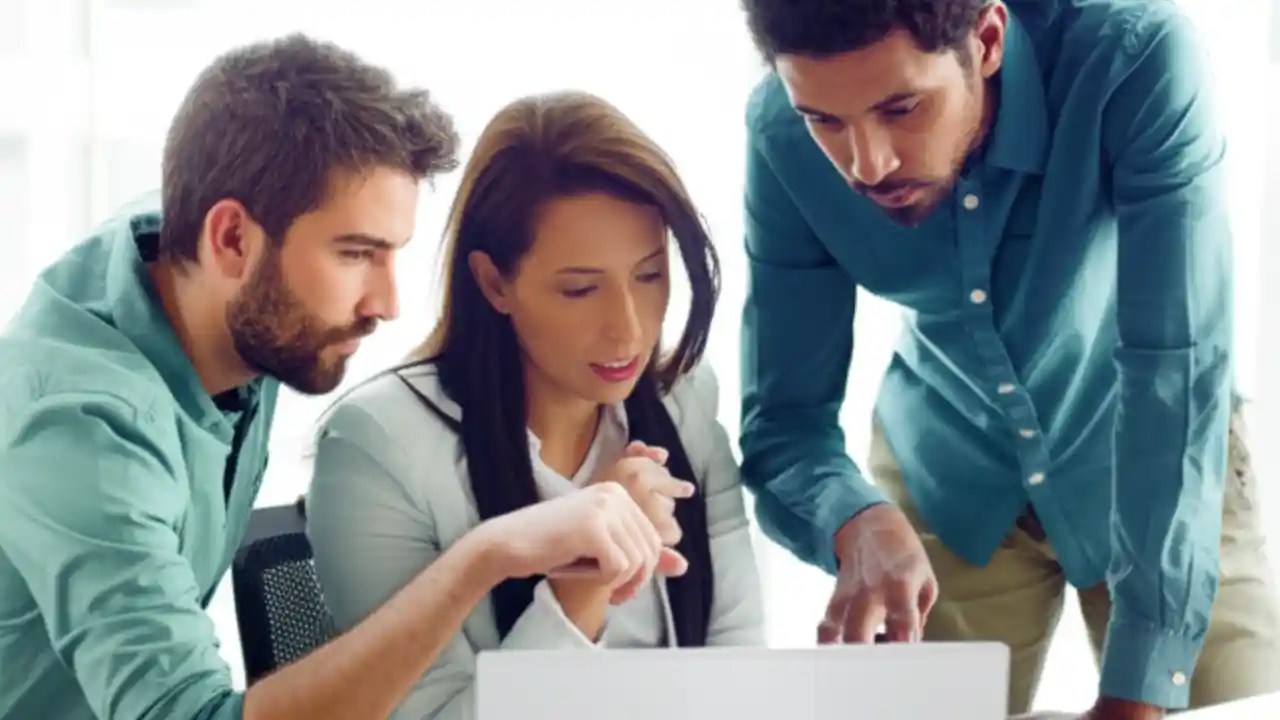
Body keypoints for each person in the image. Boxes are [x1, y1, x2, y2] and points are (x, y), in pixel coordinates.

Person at [0, 35, 683, 720]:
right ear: (231, 239)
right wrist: (485, 556)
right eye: (356, 254)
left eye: (391, 254)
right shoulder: (85, 430)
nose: (386, 303)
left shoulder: (198, 271)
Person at [735, 0, 1280, 717]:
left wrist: (1141, 689)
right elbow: (784, 422)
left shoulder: (1136, 61)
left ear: (987, 39)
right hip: (948, 477)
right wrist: (852, 520)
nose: (868, 164)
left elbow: (1175, 370)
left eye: (902, 108)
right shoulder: (779, 132)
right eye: (825, 121)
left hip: (1159, 462)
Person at [305, 90, 766, 719]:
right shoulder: (380, 443)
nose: (628, 329)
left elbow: (741, 672)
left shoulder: (683, 398)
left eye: (650, 275)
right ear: (494, 282)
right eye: (580, 290)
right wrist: (584, 586)